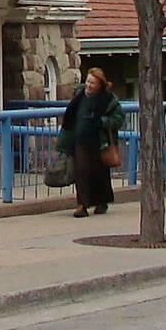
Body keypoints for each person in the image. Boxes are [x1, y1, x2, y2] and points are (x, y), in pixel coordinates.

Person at [56, 66, 123, 217]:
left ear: (100, 85)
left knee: (99, 172)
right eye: (88, 81)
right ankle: (82, 205)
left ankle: (101, 202)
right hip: (80, 140)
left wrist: (103, 122)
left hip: (99, 141)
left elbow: (118, 118)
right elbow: (70, 119)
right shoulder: (79, 96)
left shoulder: (108, 99)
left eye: (92, 83)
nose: (89, 85)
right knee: (81, 172)